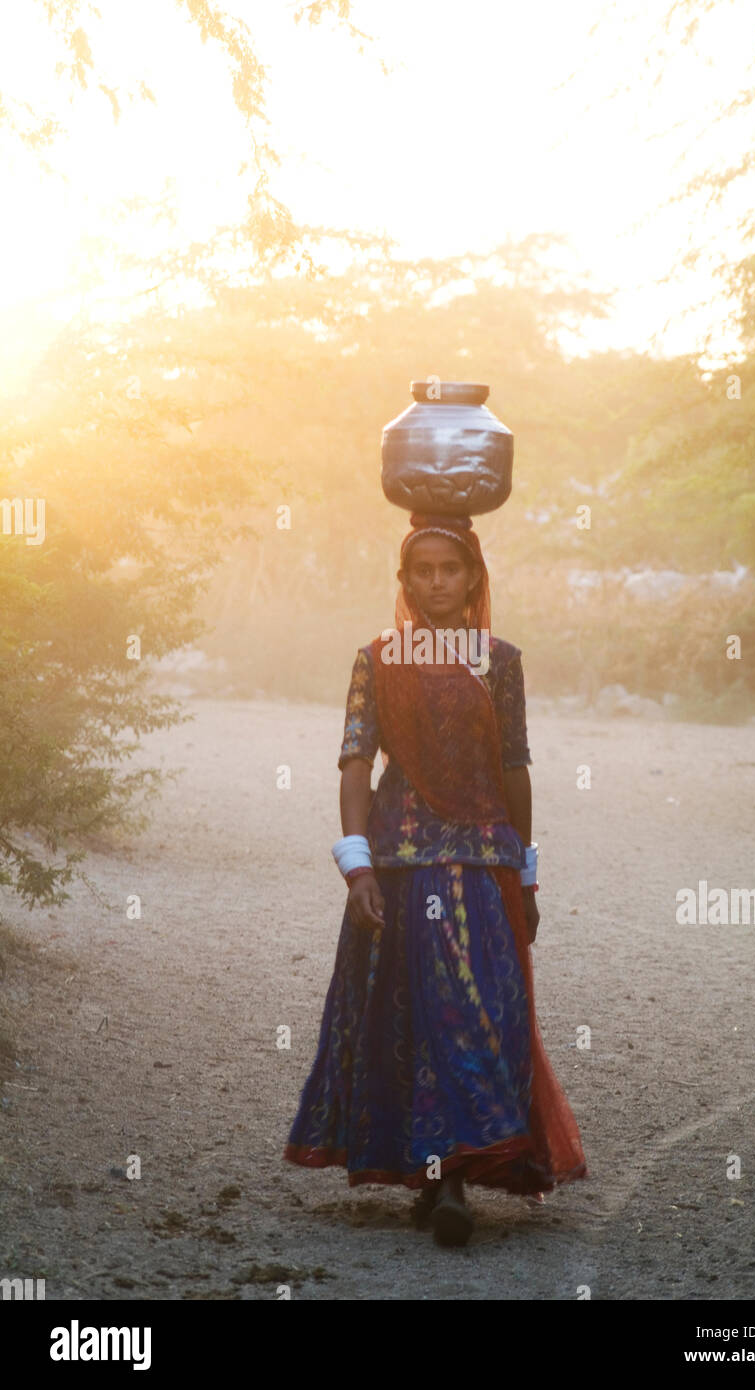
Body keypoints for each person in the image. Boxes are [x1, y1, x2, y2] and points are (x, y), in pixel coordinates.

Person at [283, 511, 587, 1246]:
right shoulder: (377, 659)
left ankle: (450, 1173)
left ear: (473, 576)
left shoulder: (498, 661)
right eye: (421, 570)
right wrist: (356, 862)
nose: (435, 582)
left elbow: (512, 767)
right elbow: (356, 760)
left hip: (481, 863)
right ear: (403, 580)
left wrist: (525, 871)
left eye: (449, 568)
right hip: (400, 860)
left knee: (476, 1010)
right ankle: (437, 1176)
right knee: (407, 1017)